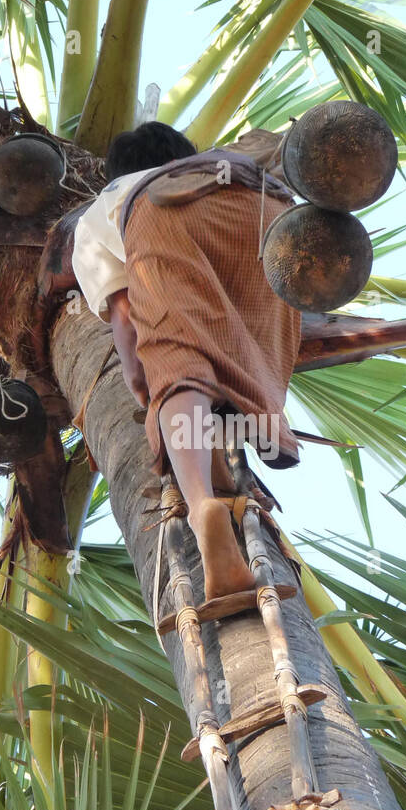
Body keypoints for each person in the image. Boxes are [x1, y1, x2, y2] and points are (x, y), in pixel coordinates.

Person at [72, 121, 301, 603]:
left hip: (162, 212)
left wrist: (151, 385)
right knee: (257, 338)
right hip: (263, 207)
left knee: (179, 364)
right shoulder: (222, 162)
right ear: (183, 152)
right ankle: (250, 424)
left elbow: (126, 318)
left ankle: (203, 506)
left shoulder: (108, 202)